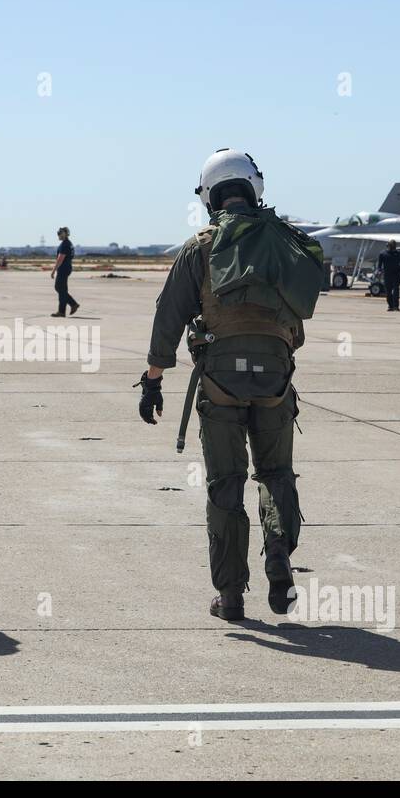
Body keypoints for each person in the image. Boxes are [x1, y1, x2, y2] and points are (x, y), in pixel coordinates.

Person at [138, 148, 320, 621]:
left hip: (219, 379)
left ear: (210, 194)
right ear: (252, 187)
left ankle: (232, 596)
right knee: (275, 474)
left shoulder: (201, 245)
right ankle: (278, 549)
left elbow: (168, 316)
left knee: (226, 484)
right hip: (277, 377)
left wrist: (154, 379)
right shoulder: (287, 241)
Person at [50, 226, 79, 317]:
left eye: (61, 233)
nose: (59, 234)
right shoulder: (68, 243)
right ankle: (63, 310)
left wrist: (53, 270)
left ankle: (71, 305)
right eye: (58, 233)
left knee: (59, 288)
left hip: (63, 268)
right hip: (66, 267)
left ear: (66, 234)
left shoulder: (65, 244)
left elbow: (60, 259)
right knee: (62, 289)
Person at [376, 240, 400, 311]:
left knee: (396, 290)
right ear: (388, 245)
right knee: (388, 291)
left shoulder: (399, 253)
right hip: (387, 275)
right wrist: (379, 271)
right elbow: (379, 265)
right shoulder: (383, 254)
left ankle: (396, 306)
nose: (392, 247)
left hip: (396, 274)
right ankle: (390, 306)